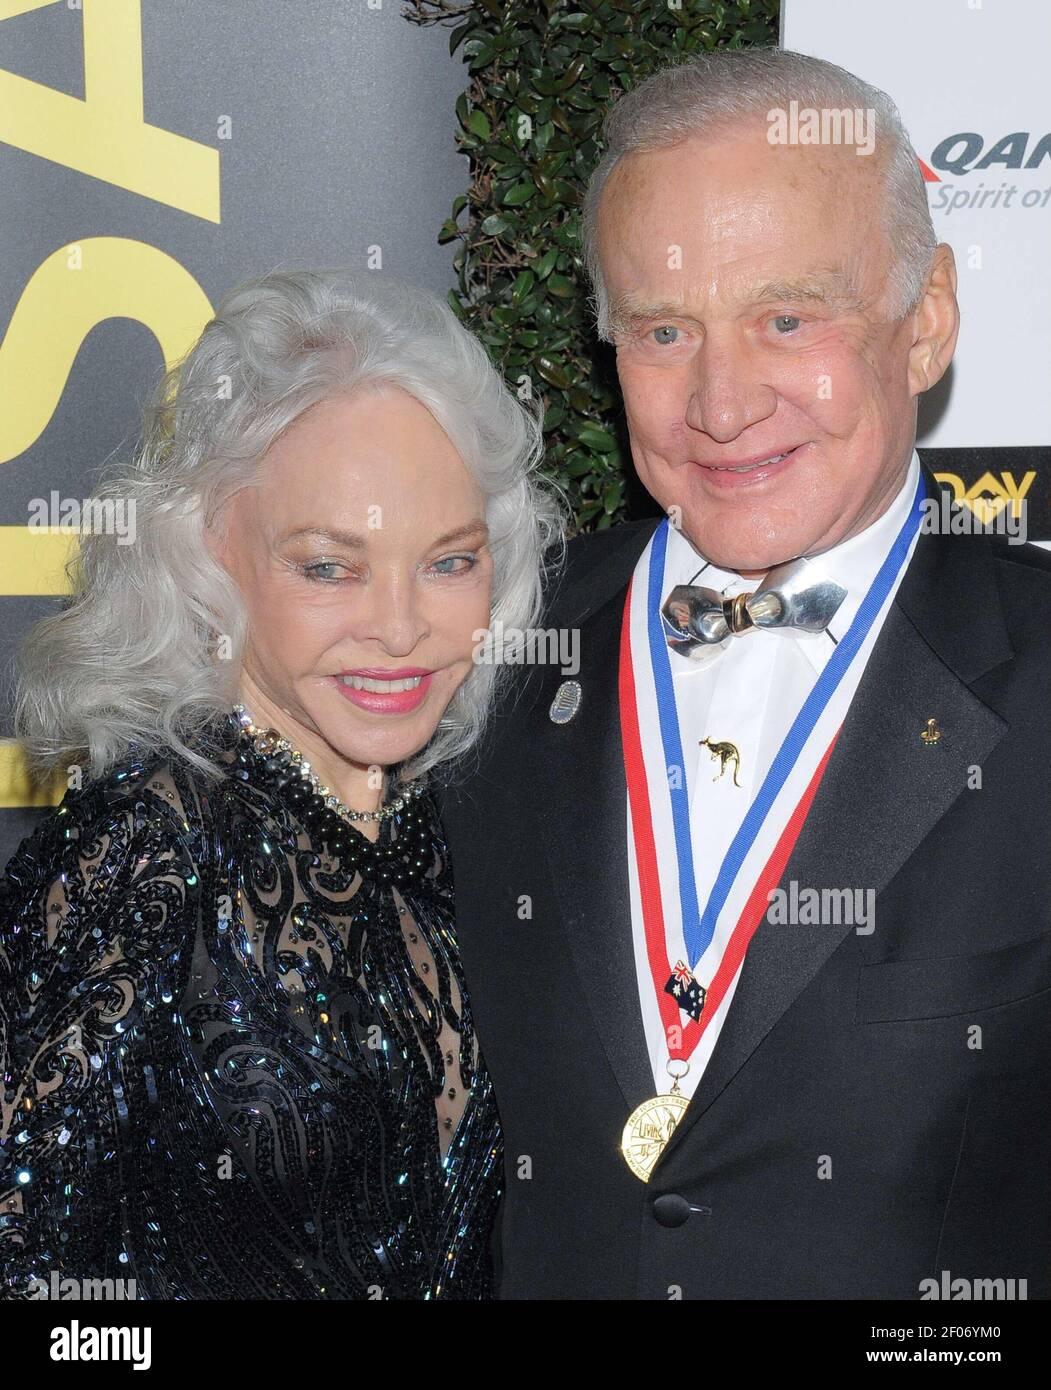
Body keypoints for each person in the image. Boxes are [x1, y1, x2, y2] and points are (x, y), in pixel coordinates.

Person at [437, 48, 1051, 1299]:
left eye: (786, 318)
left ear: (924, 320)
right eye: (665, 332)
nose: (719, 401)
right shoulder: (473, 641)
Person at [0, 268, 564, 1300]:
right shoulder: (143, 851)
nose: (400, 628)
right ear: (212, 552)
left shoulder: (449, 837)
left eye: (447, 561)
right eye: (328, 567)